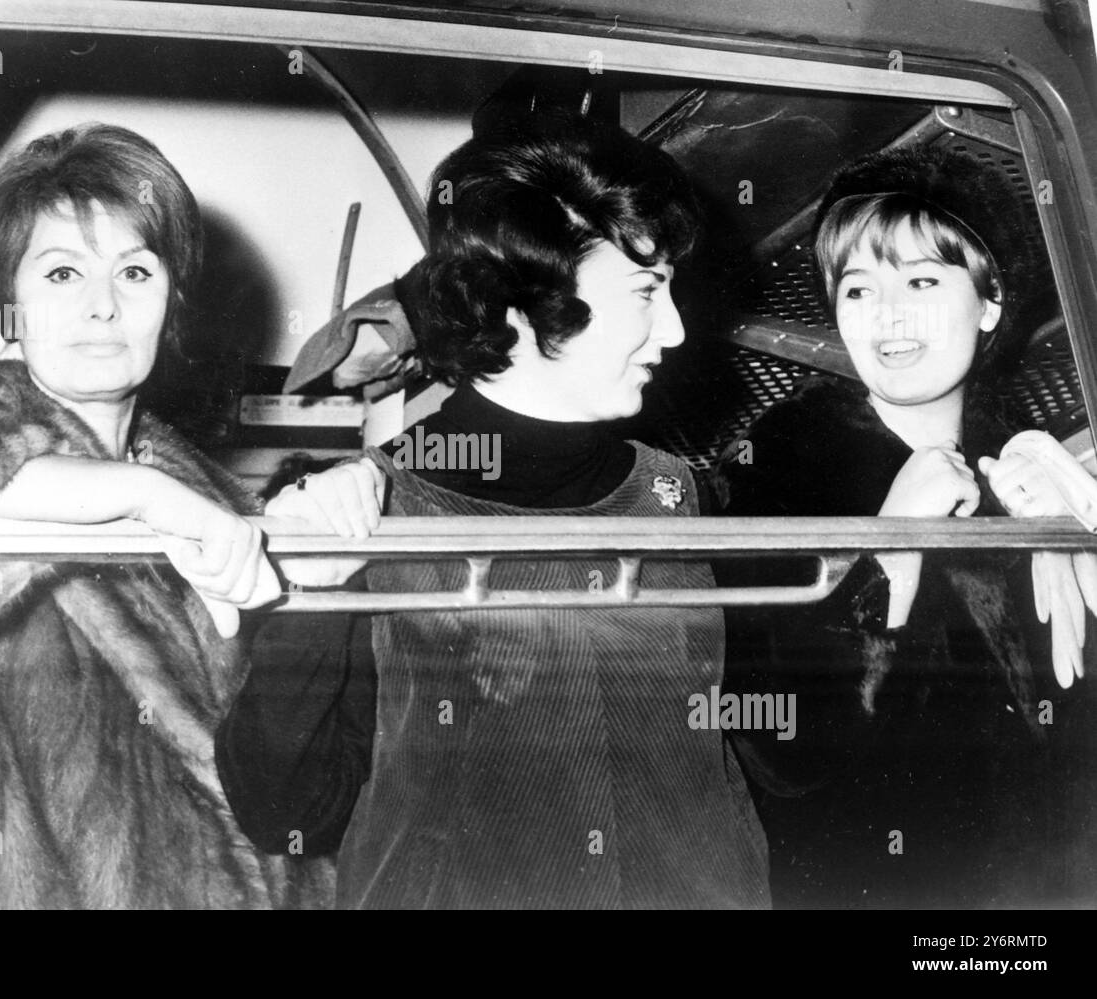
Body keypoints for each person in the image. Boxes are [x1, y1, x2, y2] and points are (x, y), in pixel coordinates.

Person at [0, 123, 380, 909]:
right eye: (63, 272)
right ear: (9, 304)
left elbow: (283, 801)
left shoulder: (215, 501)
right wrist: (137, 496)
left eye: (135, 272)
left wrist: (320, 578)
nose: (102, 306)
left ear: (169, 301)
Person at [219, 112, 771, 909]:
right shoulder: (367, 509)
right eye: (648, 292)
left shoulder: (677, 493)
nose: (678, 330)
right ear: (523, 304)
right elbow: (285, 810)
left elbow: (753, 759)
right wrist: (307, 594)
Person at [710, 145, 1089, 907]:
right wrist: (888, 547)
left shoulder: (1026, 472)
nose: (887, 315)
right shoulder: (776, 472)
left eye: (920, 280)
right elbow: (776, 749)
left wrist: (1082, 535)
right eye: (857, 289)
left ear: (990, 304)